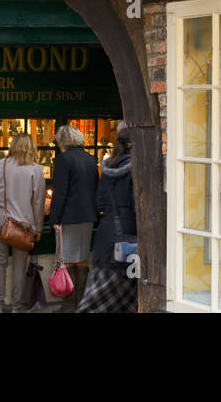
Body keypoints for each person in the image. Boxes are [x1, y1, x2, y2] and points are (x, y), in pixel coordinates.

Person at [78, 122, 137, 313]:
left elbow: (99, 203)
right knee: (126, 303)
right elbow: (137, 206)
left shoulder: (108, 167)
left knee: (95, 302)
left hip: (105, 240)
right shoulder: (137, 171)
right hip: (128, 241)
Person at [0, 132, 46, 312]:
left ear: (13, 146)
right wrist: (38, 228)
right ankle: (16, 306)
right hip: (23, 225)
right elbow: (38, 203)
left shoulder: (0, 165)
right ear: (31, 148)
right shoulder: (35, 170)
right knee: (19, 267)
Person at [50, 123, 98, 311]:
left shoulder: (64, 159)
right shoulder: (90, 159)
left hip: (68, 217)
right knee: (82, 259)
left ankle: (69, 305)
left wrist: (54, 218)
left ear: (63, 141)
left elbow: (60, 192)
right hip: (87, 215)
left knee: (67, 259)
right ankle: (81, 303)